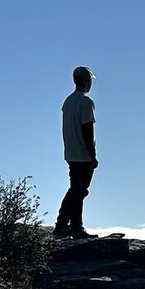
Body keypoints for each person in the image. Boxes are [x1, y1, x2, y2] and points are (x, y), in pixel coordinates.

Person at [53, 66, 100, 239]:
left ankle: (66, 225)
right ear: (87, 82)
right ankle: (72, 226)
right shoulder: (86, 102)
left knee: (76, 189)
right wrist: (92, 154)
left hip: (71, 152)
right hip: (83, 154)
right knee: (79, 190)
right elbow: (88, 129)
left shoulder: (68, 102)